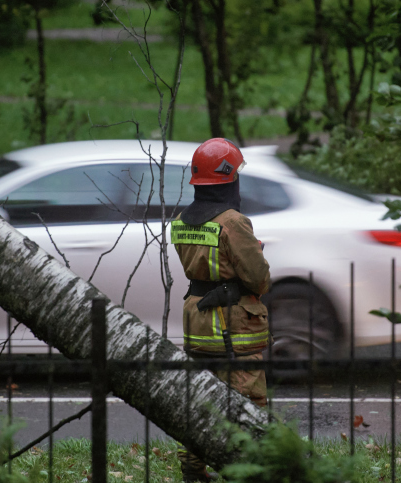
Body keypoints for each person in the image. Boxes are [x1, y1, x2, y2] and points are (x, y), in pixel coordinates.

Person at [170, 138, 271, 482]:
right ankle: (246, 471)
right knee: (246, 402)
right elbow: (258, 279)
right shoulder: (234, 223)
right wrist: (256, 251)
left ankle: (193, 470)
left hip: (198, 324)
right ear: (229, 179)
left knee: (200, 402)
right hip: (234, 328)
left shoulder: (181, 221)